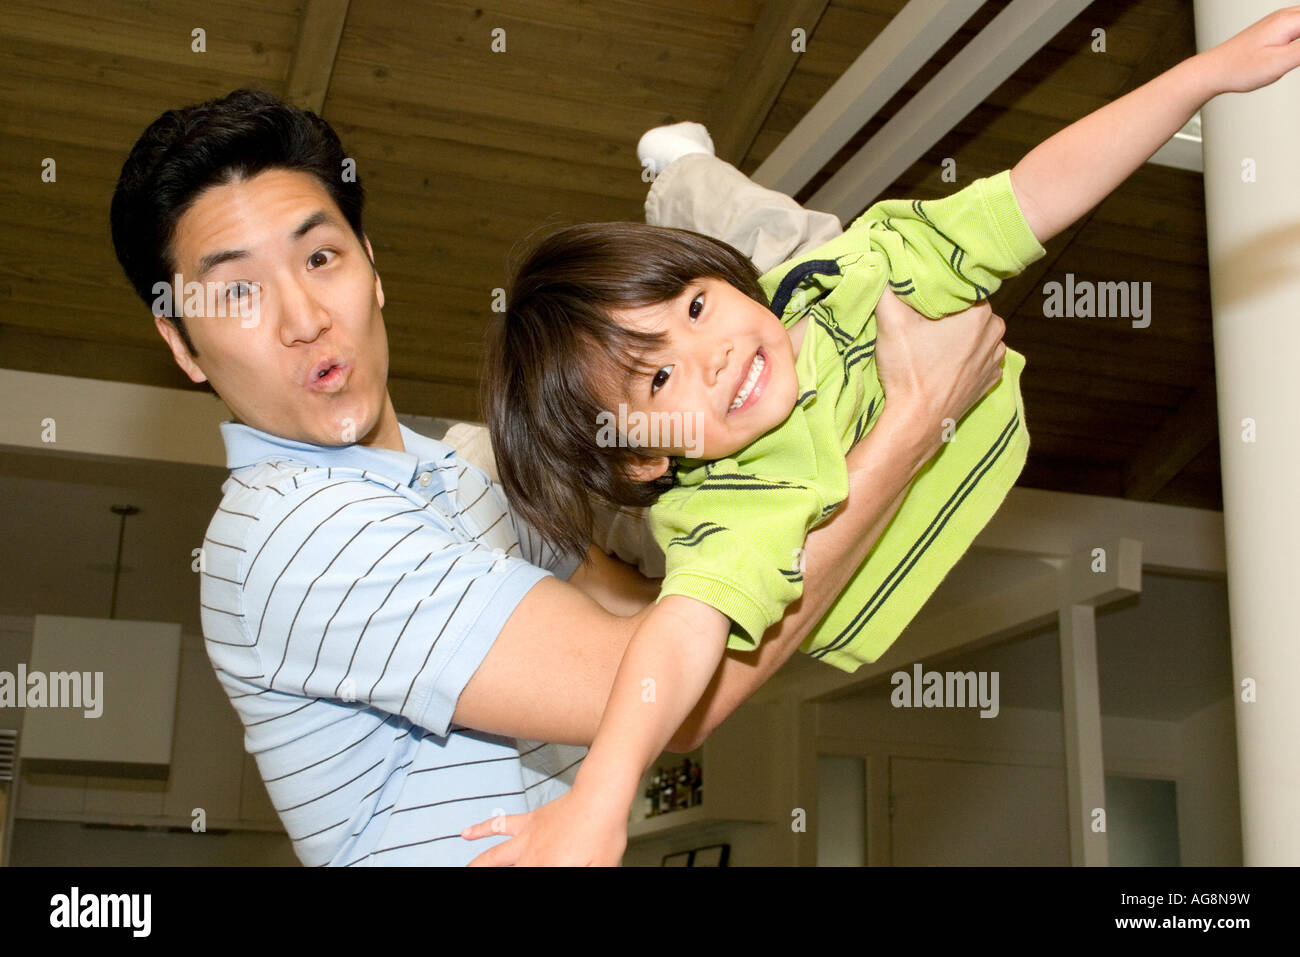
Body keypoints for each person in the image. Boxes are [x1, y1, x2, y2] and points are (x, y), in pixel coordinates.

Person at [463, 6, 1300, 865]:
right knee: (617, 533)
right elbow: (677, 636)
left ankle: (681, 172)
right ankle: (493, 456)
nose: (708, 356)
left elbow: (1034, 192)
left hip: (814, 308)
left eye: (696, 306)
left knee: (771, 234)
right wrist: (603, 794)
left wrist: (1204, 77)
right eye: (661, 376)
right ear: (653, 448)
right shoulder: (733, 506)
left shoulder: (848, 279)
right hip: (737, 454)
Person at [107, 89, 1008, 865]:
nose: (303, 317)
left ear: (371, 268)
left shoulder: (462, 473)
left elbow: (663, 618)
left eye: (319, 257)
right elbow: (657, 691)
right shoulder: (290, 533)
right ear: (182, 344)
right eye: (236, 292)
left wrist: (796, 456)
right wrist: (908, 428)